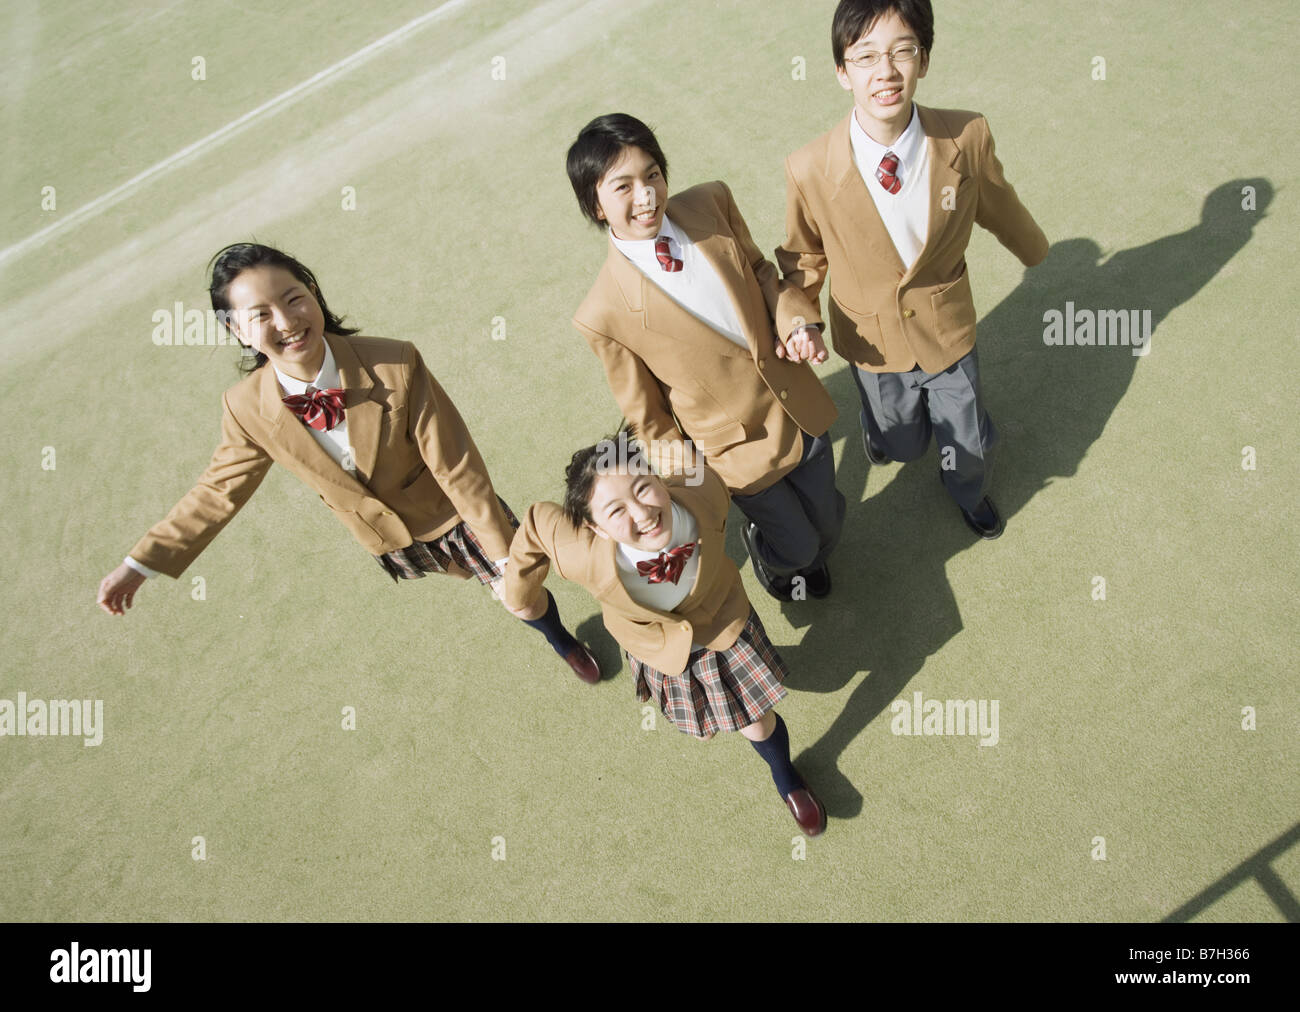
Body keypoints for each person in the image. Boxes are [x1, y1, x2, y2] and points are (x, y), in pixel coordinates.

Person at [96, 242, 599, 684]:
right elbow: (217, 492)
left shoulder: (395, 361)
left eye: (294, 299)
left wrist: (503, 555)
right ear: (238, 331)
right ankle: (499, 584)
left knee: (520, 597)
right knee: (469, 578)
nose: (288, 322)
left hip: (453, 511)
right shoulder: (246, 408)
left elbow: (456, 465)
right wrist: (141, 563)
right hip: (388, 537)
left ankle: (558, 638)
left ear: (313, 292)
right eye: (261, 314)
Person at [777, 0, 1048, 538]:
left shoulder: (964, 136)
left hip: (946, 327)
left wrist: (1033, 249)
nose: (886, 72)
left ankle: (968, 492)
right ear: (841, 72)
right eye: (866, 56)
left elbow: (996, 200)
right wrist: (796, 320)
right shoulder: (808, 168)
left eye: (903, 51)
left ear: (923, 59)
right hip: (872, 342)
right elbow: (803, 256)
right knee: (903, 442)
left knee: (967, 440)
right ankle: (880, 429)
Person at [566, 113, 844, 601]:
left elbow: (760, 272)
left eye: (652, 174)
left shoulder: (711, 202)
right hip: (736, 453)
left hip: (796, 402)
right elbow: (648, 418)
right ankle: (777, 560)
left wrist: (796, 321)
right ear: (596, 205)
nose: (646, 195)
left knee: (830, 517)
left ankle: (808, 552)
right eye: (623, 186)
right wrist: (695, 486)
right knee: (798, 546)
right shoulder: (602, 313)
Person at [503, 431, 827, 835]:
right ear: (595, 528)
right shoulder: (579, 554)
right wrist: (516, 591)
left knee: (756, 723)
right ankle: (706, 717)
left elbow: (687, 450)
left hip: (722, 624)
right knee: (700, 723)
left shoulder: (704, 490)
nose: (641, 513)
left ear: (658, 478)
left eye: (643, 487)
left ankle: (786, 778)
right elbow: (535, 523)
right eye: (615, 511)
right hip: (657, 647)